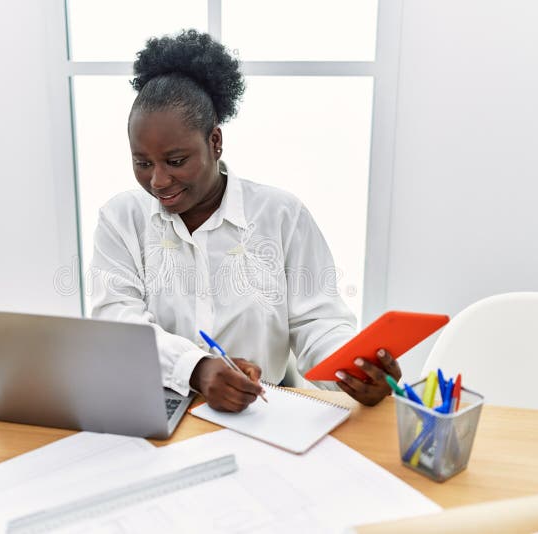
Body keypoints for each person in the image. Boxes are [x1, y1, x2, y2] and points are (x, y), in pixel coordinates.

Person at [90, 29, 401, 412]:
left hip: (260, 416)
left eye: (175, 161)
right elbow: (118, 324)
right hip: (156, 412)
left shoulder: (281, 215)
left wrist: (353, 370)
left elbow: (317, 321)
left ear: (215, 142)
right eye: (142, 163)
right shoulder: (121, 219)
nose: (158, 180)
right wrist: (197, 369)